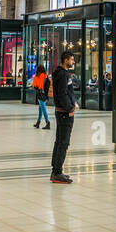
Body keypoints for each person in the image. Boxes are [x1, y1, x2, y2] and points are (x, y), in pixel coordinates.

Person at [49, 50, 77, 184]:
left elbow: (67, 92)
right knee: (63, 142)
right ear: (65, 60)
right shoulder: (63, 75)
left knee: (59, 141)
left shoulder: (60, 73)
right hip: (65, 113)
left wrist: (73, 103)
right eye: (71, 60)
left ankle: (56, 170)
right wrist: (70, 108)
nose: (73, 62)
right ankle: (57, 172)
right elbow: (62, 93)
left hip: (61, 112)